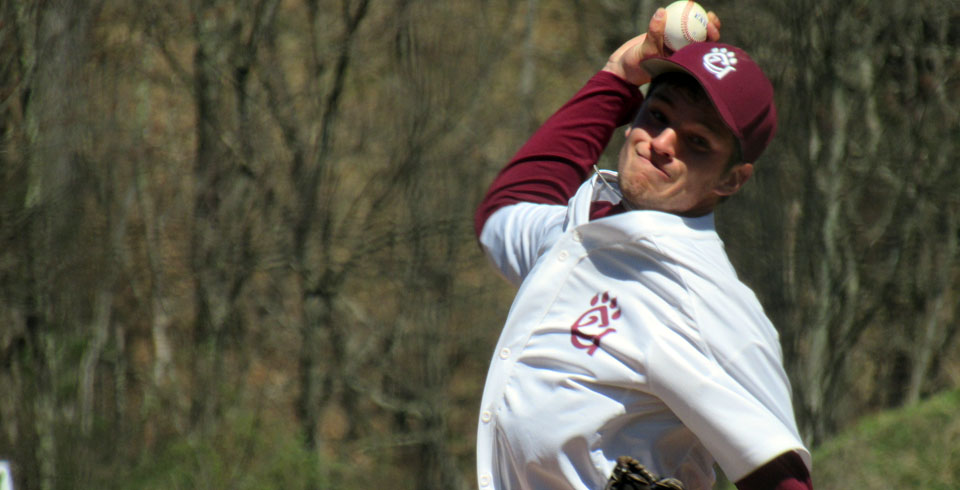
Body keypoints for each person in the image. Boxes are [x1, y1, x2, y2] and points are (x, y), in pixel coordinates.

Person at [472, 7, 812, 490]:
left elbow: (786, 481)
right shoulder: (585, 229)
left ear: (732, 179)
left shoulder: (706, 301)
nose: (661, 142)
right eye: (657, 115)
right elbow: (504, 213)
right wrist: (618, 76)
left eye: (697, 141)